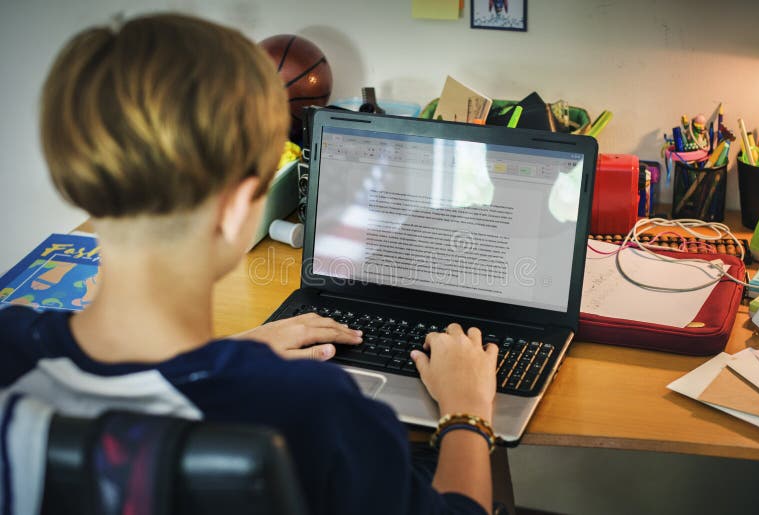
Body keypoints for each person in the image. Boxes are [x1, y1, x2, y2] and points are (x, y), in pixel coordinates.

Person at [0, 13, 499, 515]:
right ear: (239, 206)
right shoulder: (314, 406)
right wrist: (466, 411)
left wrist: (229, 350)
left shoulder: (11, 343)